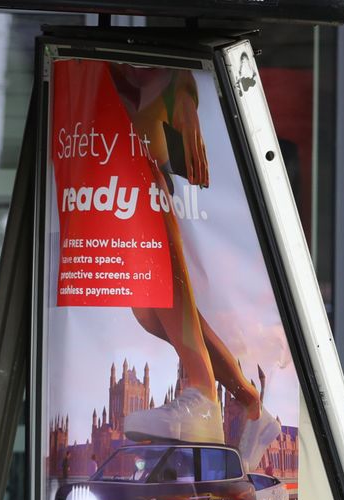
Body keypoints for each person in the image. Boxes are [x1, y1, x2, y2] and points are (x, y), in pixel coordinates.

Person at [101, 62, 283, 468]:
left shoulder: (144, 78)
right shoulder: (117, 82)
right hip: (123, 176)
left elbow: (161, 71)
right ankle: (252, 406)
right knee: (152, 312)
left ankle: (202, 392)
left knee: (159, 289)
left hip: (143, 182)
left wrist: (183, 96)